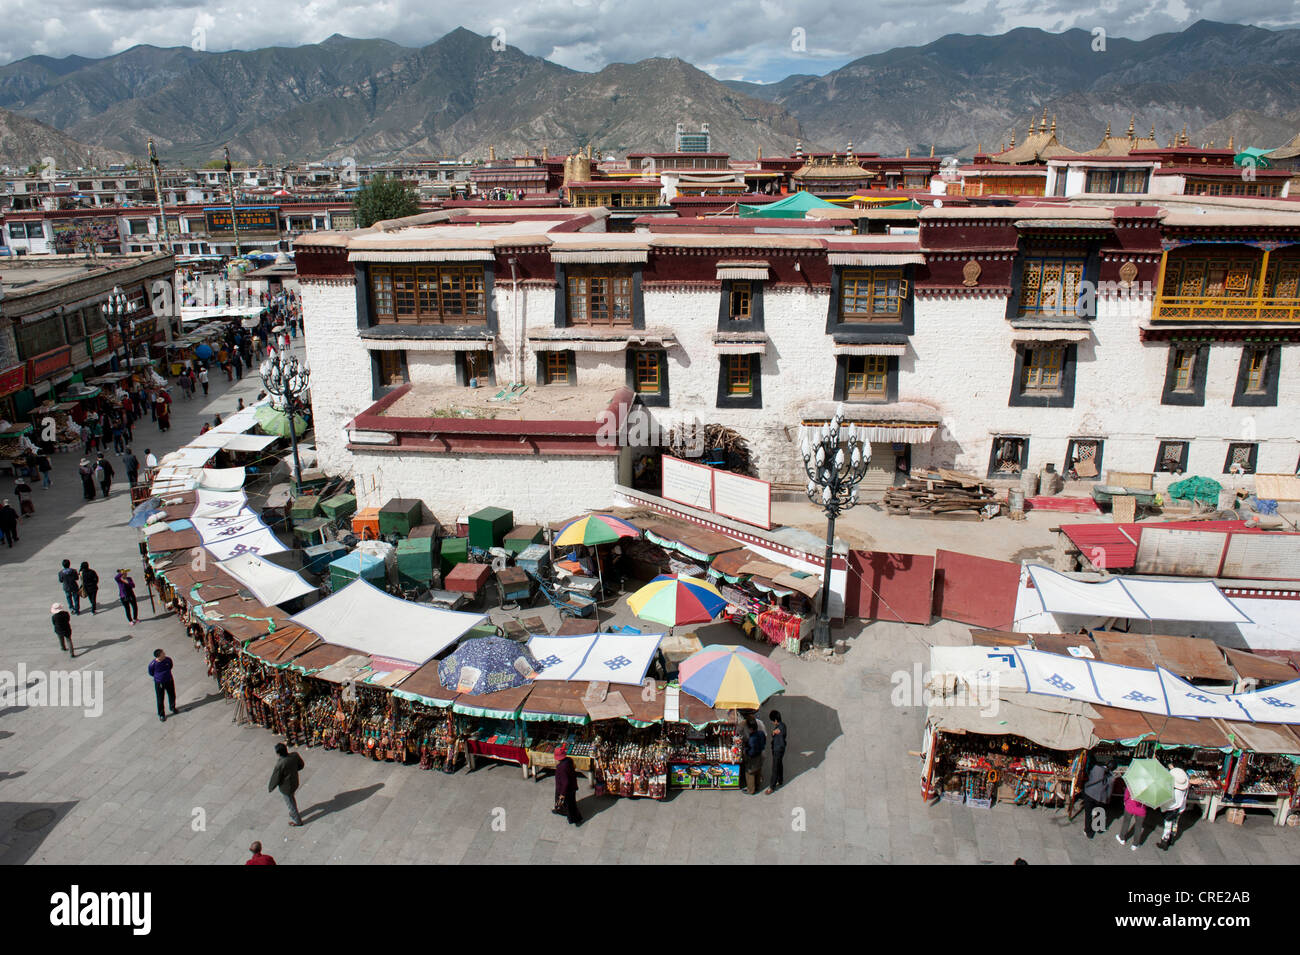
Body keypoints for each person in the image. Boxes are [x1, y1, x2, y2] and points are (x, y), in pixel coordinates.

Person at [268, 742, 305, 826]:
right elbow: (301, 765)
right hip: (295, 781)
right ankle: (294, 813)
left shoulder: (280, 764)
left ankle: (297, 821)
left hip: (286, 787)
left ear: (278, 753)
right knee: (292, 798)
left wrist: (271, 787)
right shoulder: (294, 755)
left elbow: (275, 778)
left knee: (290, 804)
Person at [1157, 768, 1190, 851]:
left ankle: (1164, 842)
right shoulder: (1184, 789)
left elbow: (1168, 804)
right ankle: (1171, 838)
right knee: (1175, 823)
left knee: (1168, 825)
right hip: (1180, 809)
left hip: (1171, 810)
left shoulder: (1174, 791)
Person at [1082, 757, 1113, 839]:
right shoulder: (1111, 778)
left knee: (1088, 814)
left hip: (1090, 793)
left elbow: (1090, 777)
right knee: (1100, 811)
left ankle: (1089, 832)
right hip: (1100, 797)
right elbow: (1109, 791)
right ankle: (1099, 828)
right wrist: (1107, 800)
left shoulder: (1096, 768)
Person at [1116, 779, 1151, 851]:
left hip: (1130, 806)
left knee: (1126, 822)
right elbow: (1149, 802)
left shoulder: (1133, 784)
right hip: (1141, 810)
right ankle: (1135, 844)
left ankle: (1122, 838)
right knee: (1138, 827)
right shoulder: (1149, 789)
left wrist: (1125, 801)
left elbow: (1126, 794)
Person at [553, 743, 582, 826]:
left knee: (570, 805)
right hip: (572, 786)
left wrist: (562, 794)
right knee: (570, 803)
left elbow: (565, 782)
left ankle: (576, 819)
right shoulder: (569, 760)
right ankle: (559, 810)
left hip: (565, 789)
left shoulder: (561, 767)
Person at [149, 648, 178, 722]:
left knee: (172, 694)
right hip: (159, 683)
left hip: (169, 680)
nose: (164, 654)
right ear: (158, 656)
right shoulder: (153, 664)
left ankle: (172, 707)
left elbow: (171, 666)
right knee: (160, 698)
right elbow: (151, 672)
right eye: (163, 653)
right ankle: (161, 714)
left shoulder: (168, 659)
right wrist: (158, 677)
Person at [766, 709, 788, 794]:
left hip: (777, 750)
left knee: (775, 767)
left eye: (772, 721)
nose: (772, 723)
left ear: (775, 720)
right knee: (779, 764)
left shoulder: (780, 730)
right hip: (780, 750)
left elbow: (781, 739)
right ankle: (780, 779)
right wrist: (773, 733)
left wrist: (776, 733)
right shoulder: (782, 725)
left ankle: (772, 786)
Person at [743, 717, 766, 795]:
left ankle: (751, 789)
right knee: (758, 770)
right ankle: (758, 785)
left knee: (750, 773)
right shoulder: (761, 733)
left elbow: (751, 751)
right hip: (760, 755)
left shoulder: (751, 738)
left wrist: (746, 751)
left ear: (751, 728)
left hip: (752, 758)